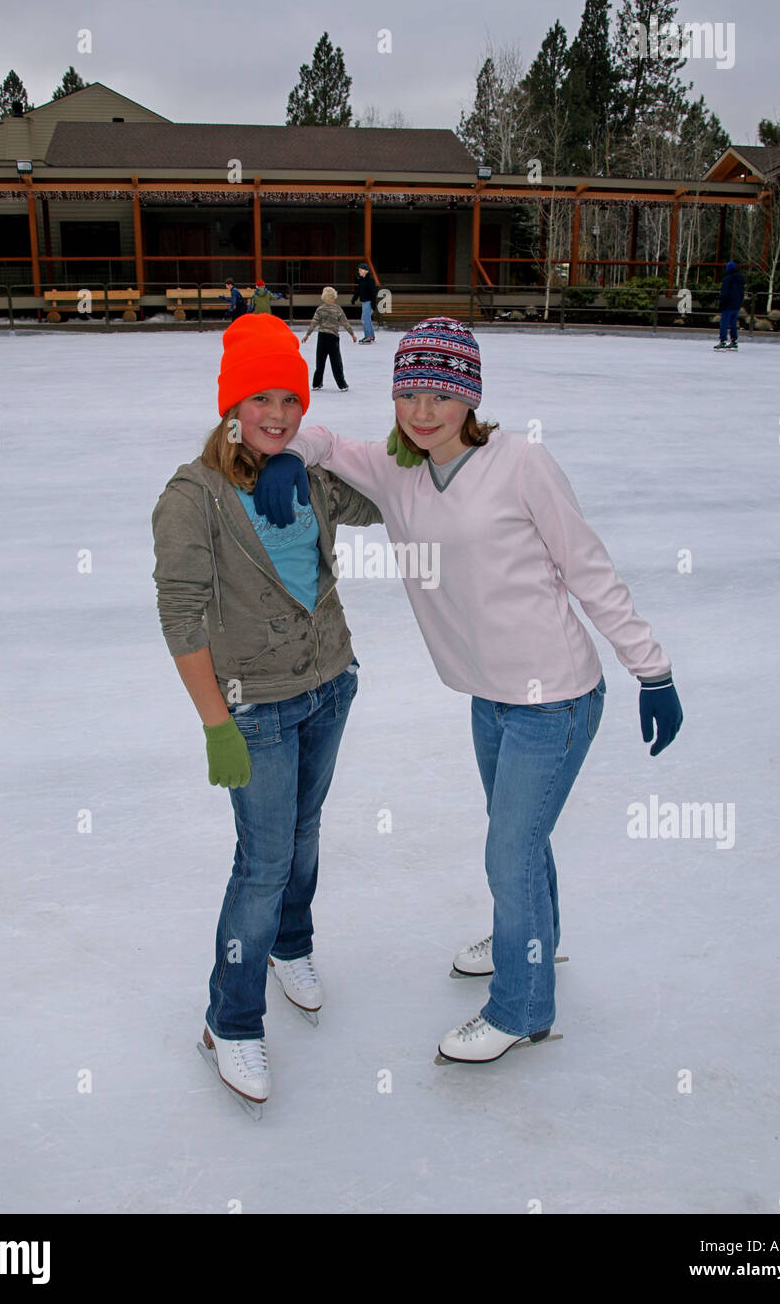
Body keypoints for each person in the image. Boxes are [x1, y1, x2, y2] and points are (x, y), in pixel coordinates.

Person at [253, 317, 683, 1065]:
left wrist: (652, 669)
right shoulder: (399, 472)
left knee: (508, 851)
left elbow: (586, 566)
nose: (422, 412)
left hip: (556, 697)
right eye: (408, 393)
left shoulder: (521, 464)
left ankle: (521, 1008)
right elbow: (324, 441)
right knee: (519, 840)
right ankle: (530, 939)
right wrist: (289, 453)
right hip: (489, 697)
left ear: (470, 398)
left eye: (440, 396)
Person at [151, 314, 381, 1115]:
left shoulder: (306, 473)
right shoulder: (194, 496)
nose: (278, 414)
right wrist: (216, 722)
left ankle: (292, 944)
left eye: (291, 397)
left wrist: (313, 454)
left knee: (304, 835)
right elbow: (180, 615)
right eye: (261, 398)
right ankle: (230, 1018)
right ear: (230, 405)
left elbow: (393, 493)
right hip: (253, 707)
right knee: (262, 862)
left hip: (328, 683)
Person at [301, 285, 356, 391]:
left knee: (320, 361)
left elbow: (314, 322)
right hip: (333, 337)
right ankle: (342, 384)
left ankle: (316, 383)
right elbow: (345, 322)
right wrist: (352, 334)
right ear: (334, 296)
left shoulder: (320, 309)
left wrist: (307, 335)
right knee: (336, 362)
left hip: (322, 336)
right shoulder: (337, 309)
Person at [714, 261, 744, 350]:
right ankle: (734, 341)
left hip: (728, 305)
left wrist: (721, 304)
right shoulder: (740, 278)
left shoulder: (727, 279)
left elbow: (725, 293)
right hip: (736, 305)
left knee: (724, 323)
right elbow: (741, 293)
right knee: (733, 324)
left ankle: (723, 341)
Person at [351, 264, 377, 344]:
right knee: (367, 319)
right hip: (364, 301)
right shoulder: (362, 279)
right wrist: (354, 298)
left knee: (365, 319)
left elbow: (373, 292)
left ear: (366, 270)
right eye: (359, 270)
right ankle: (371, 335)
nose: (359, 271)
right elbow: (358, 290)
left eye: (361, 270)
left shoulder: (370, 280)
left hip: (368, 302)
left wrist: (373, 303)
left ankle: (368, 337)